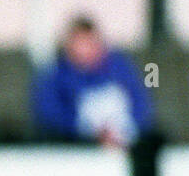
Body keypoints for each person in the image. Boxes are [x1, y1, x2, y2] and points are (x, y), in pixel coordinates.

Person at [31, 16, 156, 148]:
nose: (84, 51)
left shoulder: (121, 67)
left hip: (127, 143)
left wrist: (123, 131)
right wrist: (87, 131)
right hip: (78, 147)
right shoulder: (55, 75)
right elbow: (49, 114)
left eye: (88, 44)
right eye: (79, 45)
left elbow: (142, 105)